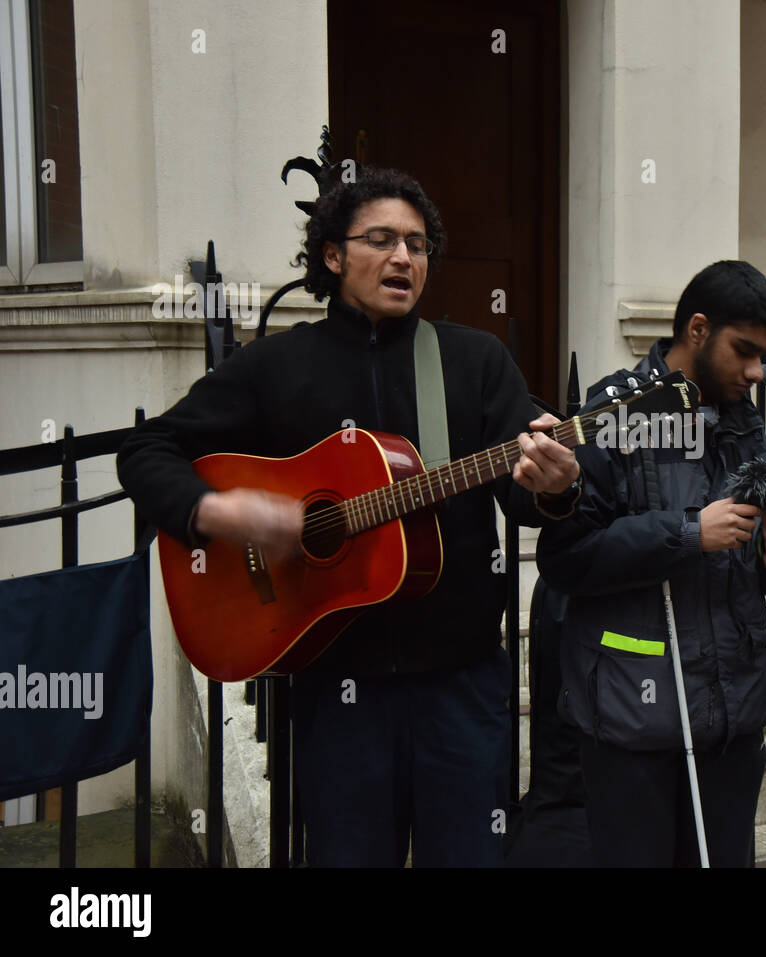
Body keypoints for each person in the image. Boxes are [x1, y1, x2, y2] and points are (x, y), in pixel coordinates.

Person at [117, 166, 581, 866]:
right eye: (383, 240)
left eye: (419, 246)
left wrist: (556, 486)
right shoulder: (277, 366)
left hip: (461, 688)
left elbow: (524, 490)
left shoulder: (471, 360)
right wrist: (215, 510)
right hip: (337, 697)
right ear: (333, 256)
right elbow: (146, 449)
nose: (405, 258)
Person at [537, 261, 766, 867]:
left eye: (764, 355)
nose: (758, 371)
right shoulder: (613, 411)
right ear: (698, 330)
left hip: (732, 725)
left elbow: (747, 570)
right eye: (745, 351)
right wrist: (687, 533)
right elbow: (566, 560)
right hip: (634, 725)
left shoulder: (742, 423)